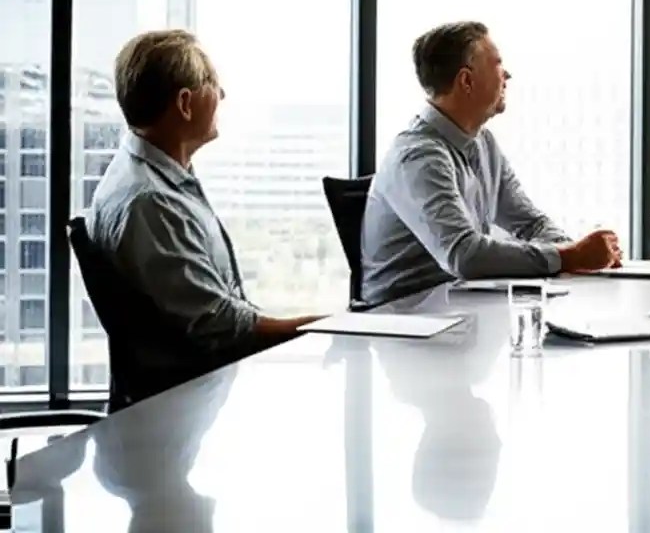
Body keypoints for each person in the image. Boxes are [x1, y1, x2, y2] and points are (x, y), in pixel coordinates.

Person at [87, 30, 327, 389]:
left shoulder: (157, 176)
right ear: (185, 104)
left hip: (201, 388)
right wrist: (322, 327)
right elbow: (222, 328)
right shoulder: (151, 202)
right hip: (189, 400)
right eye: (212, 83)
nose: (222, 95)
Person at [361, 21, 622, 305]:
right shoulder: (418, 157)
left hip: (459, 315)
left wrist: (577, 254)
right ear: (467, 81)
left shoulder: (483, 143)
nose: (507, 74)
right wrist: (568, 256)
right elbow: (464, 255)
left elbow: (531, 224)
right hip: (404, 327)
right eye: (497, 65)